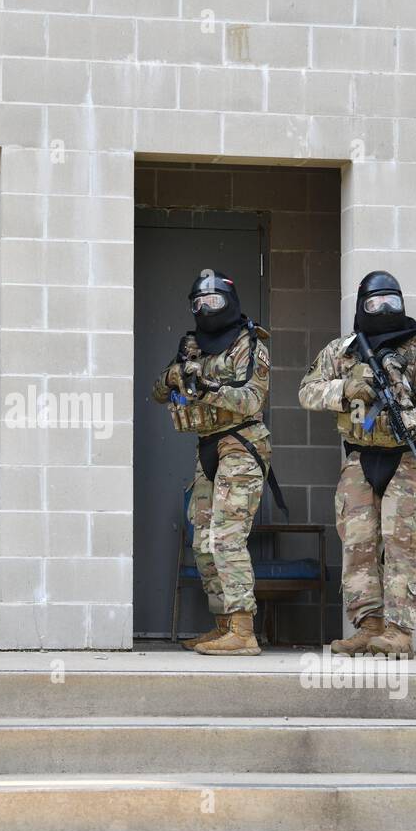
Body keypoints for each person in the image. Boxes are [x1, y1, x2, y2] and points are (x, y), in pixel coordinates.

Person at [298, 271, 416, 658]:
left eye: (391, 302)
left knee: (402, 545)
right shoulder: (342, 351)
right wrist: (345, 389)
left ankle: (399, 632)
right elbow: (307, 392)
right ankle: (369, 627)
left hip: (405, 459)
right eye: (374, 303)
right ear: (361, 306)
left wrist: (406, 423)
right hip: (359, 459)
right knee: (358, 544)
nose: (383, 310)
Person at [152, 270, 286, 656]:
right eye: (199, 303)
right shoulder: (194, 346)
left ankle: (244, 630)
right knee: (204, 539)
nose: (206, 309)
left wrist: (207, 388)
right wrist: (175, 374)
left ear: (230, 301)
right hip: (207, 447)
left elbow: (252, 401)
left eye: (214, 302)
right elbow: (158, 391)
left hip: (241, 443)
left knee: (228, 535)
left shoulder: (249, 345)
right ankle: (224, 624)